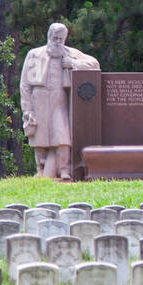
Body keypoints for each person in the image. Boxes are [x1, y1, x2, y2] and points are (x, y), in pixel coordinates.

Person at [19, 23, 100, 180]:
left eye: (61, 39)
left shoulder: (71, 54)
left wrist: (74, 64)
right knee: (39, 135)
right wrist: (27, 109)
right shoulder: (34, 54)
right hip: (39, 97)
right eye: (55, 38)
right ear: (49, 36)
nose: (57, 42)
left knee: (62, 135)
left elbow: (94, 64)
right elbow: (25, 84)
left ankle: (64, 169)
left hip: (60, 99)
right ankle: (41, 169)